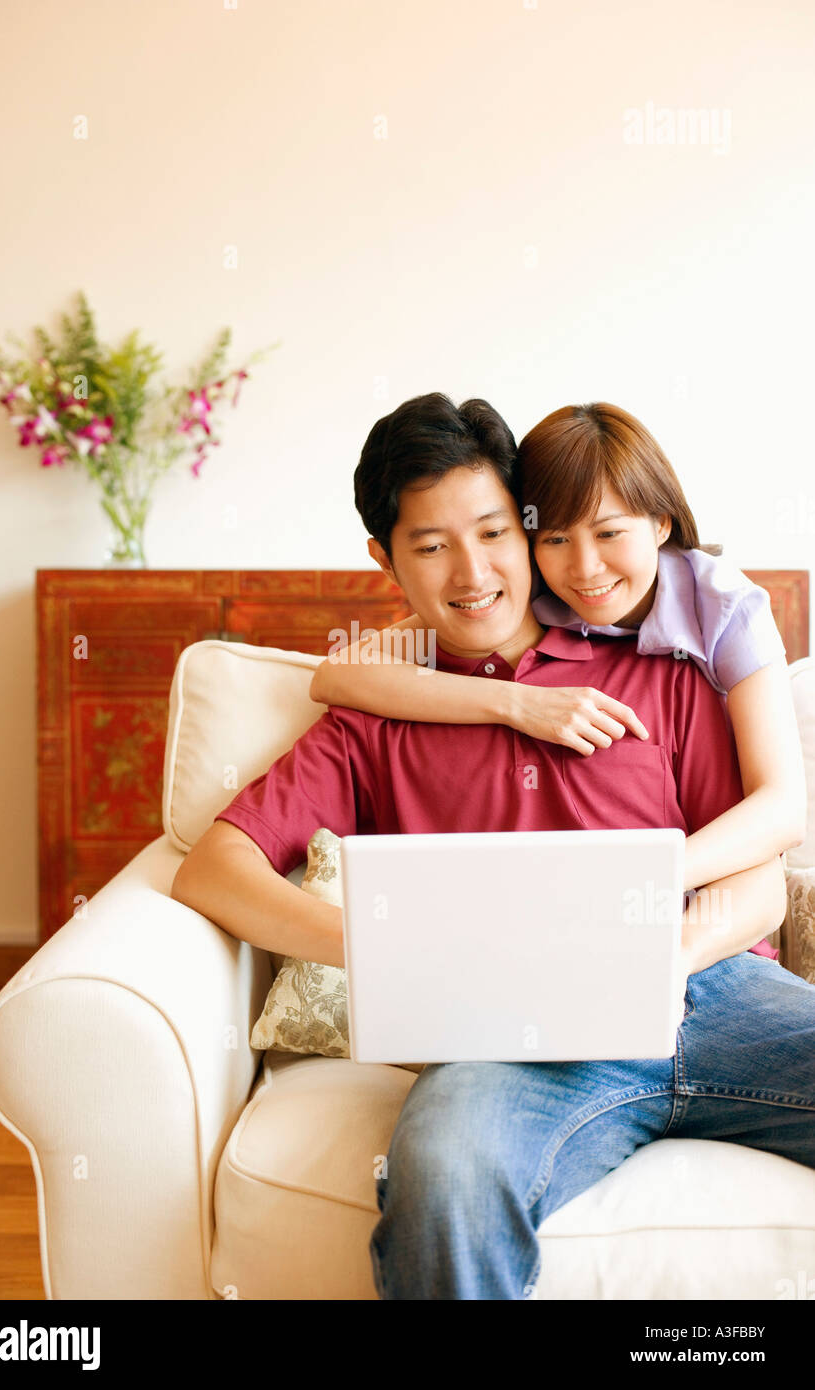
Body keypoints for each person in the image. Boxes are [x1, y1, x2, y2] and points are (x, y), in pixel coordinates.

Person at [170, 393, 811, 1300]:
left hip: (709, 987)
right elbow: (214, 868)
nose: (472, 572)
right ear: (384, 559)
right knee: (444, 1179)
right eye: (431, 546)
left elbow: (757, 875)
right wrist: (374, 950)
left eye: (495, 532)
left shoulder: (665, 663)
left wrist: (660, 961)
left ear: (529, 528)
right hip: (502, 1036)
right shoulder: (376, 716)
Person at [309, 400, 807, 899]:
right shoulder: (532, 590)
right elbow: (339, 673)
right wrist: (516, 705)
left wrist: (644, 880)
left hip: (707, 863)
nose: (586, 568)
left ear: (661, 523)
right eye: (555, 538)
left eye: (609, 532)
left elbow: (782, 810)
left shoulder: (726, 611)